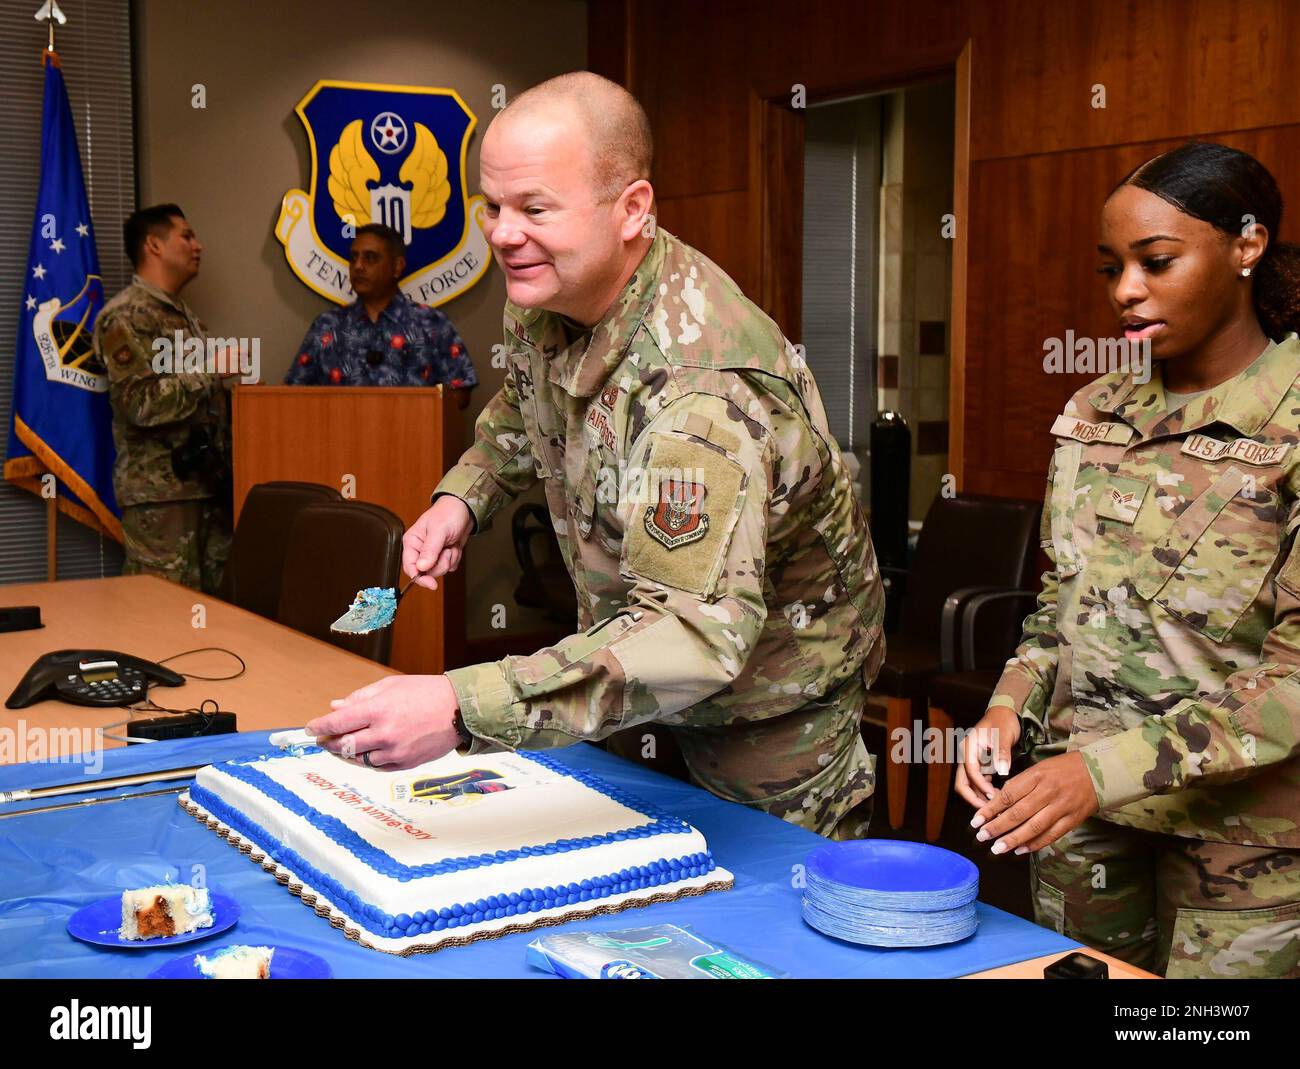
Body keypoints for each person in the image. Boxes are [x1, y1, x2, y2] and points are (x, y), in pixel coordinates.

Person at [304, 72, 886, 839]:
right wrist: (462, 499)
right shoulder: (546, 293)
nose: (504, 233)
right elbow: (524, 402)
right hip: (629, 684)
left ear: (632, 210)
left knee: (757, 940)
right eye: (495, 206)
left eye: (535, 208)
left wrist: (457, 706)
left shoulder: (703, 389)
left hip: (765, 715)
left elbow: (691, 635)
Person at [955, 141, 1300, 978]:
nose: (1125, 291)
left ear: (1246, 246)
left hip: (1240, 847)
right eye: (1113, 267)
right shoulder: (1095, 409)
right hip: (1084, 829)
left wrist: (1097, 771)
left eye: (1156, 261)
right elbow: (1059, 604)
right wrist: (1009, 705)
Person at [93, 204, 233, 594]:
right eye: (186, 236)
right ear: (154, 244)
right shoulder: (125, 316)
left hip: (206, 489)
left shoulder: (187, 319)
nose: (198, 245)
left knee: (216, 621)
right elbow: (139, 403)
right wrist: (211, 371)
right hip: (161, 499)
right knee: (159, 618)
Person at [284, 222, 476, 402]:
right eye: (353, 257)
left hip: (412, 434)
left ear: (397, 266)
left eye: (370, 258)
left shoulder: (431, 323)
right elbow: (294, 394)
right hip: (340, 435)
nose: (358, 266)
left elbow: (460, 394)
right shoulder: (328, 325)